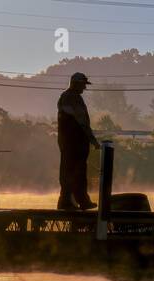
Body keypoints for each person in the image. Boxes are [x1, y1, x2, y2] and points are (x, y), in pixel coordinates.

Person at [56, 72, 100, 211]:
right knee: (78, 172)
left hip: (67, 142)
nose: (84, 88)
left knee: (68, 171)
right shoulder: (73, 98)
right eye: (83, 85)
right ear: (76, 84)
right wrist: (93, 140)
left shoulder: (65, 97)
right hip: (75, 142)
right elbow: (81, 121)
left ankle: (67, 202)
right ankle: (81, 201)